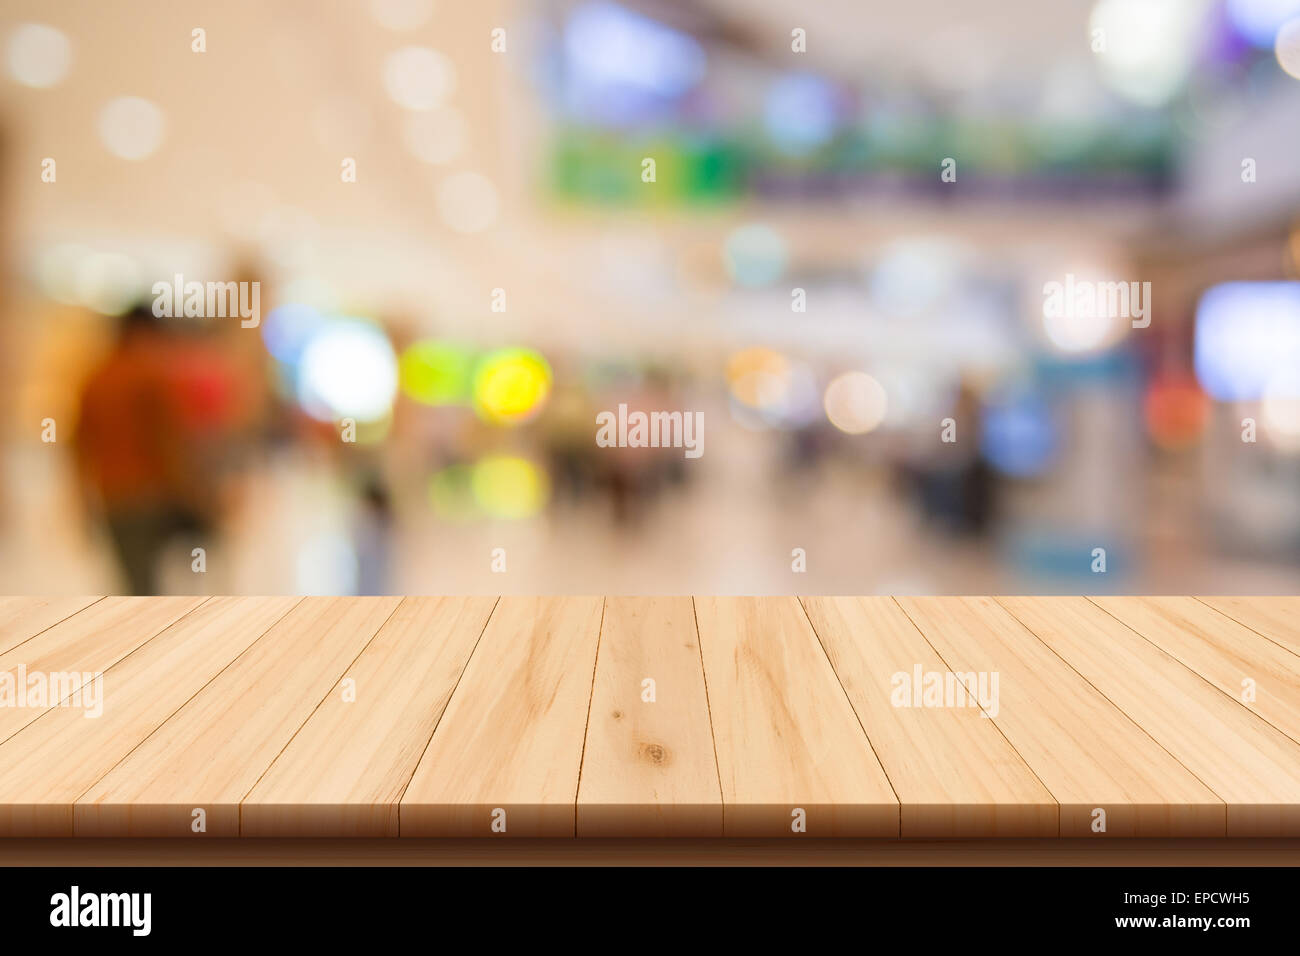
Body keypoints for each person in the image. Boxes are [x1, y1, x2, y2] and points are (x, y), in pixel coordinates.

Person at [74, 306, 227, 593]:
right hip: (153, 496)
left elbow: (79, 449)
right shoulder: (154, 377)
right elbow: (170, 444)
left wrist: (81, 503)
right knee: (171, 581)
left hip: (113, 499)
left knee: (135, 582)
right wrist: (195, 494)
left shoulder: (95, 380)